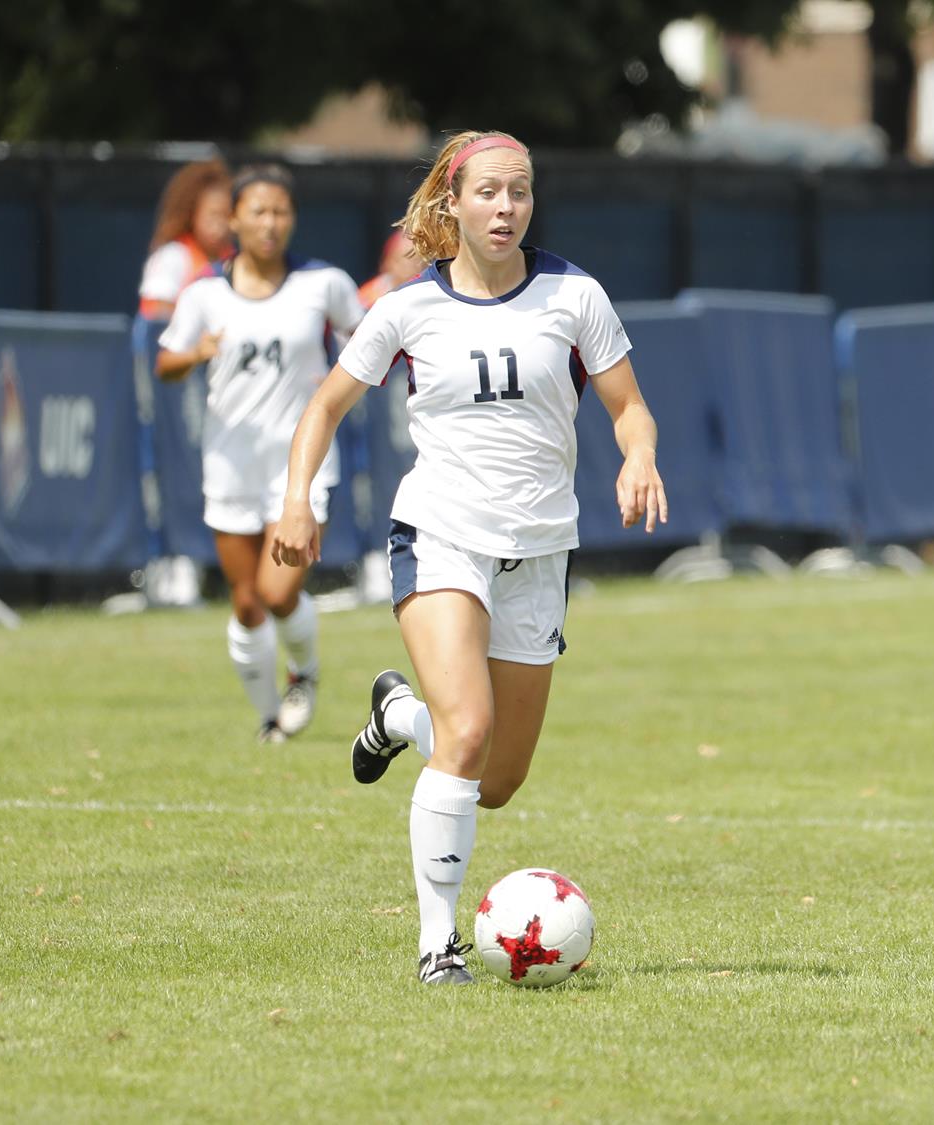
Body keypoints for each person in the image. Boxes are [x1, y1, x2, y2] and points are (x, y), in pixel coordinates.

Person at [271, 131, 668, 985]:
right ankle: (436, 945)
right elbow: (326, 404)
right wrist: (298, 497)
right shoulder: (408, 309)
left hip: (539, 550)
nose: (506, 208)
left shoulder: (574, 294)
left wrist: (638, 453)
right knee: (471, 731)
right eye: (489, 192)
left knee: (495, 780)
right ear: (453, 202)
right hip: (440, 533)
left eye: (520, 192)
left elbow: (629, 405)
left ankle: (397, 716)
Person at [156, 165, 366, 743]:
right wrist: (195, 352)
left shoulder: (323, 284)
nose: (270, 223)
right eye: (258, 211)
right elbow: (165, 363)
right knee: (247, 603)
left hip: (302, 466)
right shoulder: (204, 293)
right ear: (234, 219)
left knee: (278, 592)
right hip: (230, 465)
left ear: (292, 219)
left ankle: (305, 672)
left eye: (281, 212)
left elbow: (366, 337)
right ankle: (271, 718)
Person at [139, 158, 233, 319]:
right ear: (193, 215)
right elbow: (156, 317)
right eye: (213, 215)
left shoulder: (236, 259)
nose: (220, 226)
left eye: (228, 216)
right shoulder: (173, 255)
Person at [356, 229, 425, 309]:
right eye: (399, 260)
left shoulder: (429, 294)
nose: (406, 267)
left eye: (414, 261)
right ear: (386, 263)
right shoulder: (369, 296)